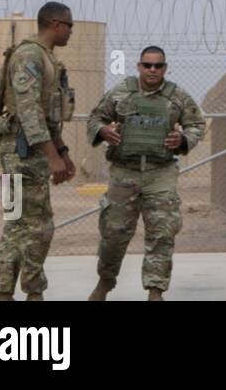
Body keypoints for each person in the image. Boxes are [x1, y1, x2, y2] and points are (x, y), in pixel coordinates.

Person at [86, 46, 206, 301]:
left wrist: (183, 139)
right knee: (113, 234)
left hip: (160, 174)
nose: (152, 70)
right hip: (124, 173)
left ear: (165, 68)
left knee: (162, 234)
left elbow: (197, 124)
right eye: (147, 65)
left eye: (158, 66)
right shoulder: (122, 92)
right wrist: (103, 131)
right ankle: (105, 282)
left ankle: (155, 291)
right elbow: (94, 118)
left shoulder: (177, 97)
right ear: (139, 66)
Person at [0, 1, 77, 301]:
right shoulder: (29, 56)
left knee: (19, 225)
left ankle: (2, 293)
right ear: (55, 24)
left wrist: (62, 152)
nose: (71, 32)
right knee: (38, 226)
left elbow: (46, 113)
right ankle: (32, 292)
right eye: (69, 26)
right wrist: (51, 156)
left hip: (31, 149)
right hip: (23, 152)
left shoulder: (46, 58)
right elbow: (27, 110)